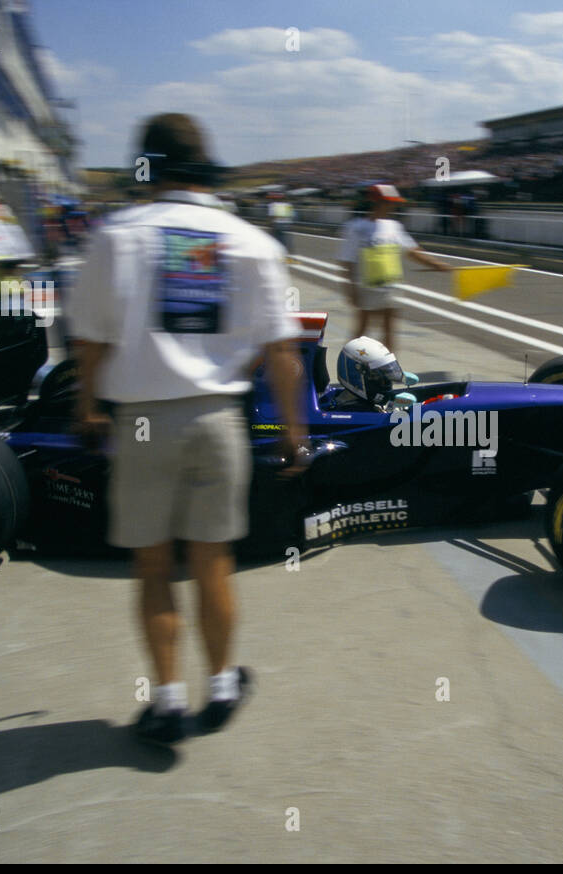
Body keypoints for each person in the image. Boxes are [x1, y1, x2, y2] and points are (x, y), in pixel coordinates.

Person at [69, 113, 309, 744]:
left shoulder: (116, 237)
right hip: (218, 420)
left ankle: (169, 700)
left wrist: (86, 407)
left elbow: (88, 340)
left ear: (145, 166)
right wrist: (293, 430)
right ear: (207, 167)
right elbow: (283, 351)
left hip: (144, 422)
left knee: (152, 567)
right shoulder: (250, 241)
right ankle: (224, 683)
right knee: (213, 561)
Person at [337, 183, 451, 356]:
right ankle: (348, 366)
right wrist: (350, 290)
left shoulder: (394, 226)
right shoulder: (356, 228)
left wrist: (437, 265)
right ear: (380, 202)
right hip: (367, 288)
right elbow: (347, 261)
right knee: (360, 334)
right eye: (391, 202)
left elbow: (413, 252)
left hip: (391, 288)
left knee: (389, 330)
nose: (394, 206)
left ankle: (388, 370)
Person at [266, 192, 295, 258]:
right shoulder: (288, 205)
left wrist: (270, 224)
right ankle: (288, 251)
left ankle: (278, 252)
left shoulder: (273, 205)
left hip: (277, 223)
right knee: (286, 238)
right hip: (287, 223)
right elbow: (291, 215)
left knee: (276, 238)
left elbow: (271, 216)